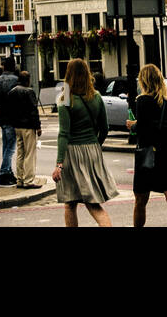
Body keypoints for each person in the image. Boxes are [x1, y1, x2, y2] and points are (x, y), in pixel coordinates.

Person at [52, 57, 117, 228]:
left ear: (68, 75)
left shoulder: (65, 98)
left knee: (70, 202)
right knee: (92, 201)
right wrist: (96, 145)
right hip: (92, 149)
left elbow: (64, 134)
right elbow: (105, 128)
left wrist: (59, 163)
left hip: (72, 153)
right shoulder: (96, 96)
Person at [128, 63, 167, 227]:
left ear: (144, 81)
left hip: (148, 154)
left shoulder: (142, 101)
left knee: (140, 199)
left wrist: (133, 126)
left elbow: (144, 129)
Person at [9, 69, 44, 188]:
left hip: (17, 126)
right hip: (28, 126)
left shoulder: (12, 92)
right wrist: (38, 127)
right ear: (28, 80)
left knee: (20, 153)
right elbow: (33, 110)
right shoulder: (29, 92)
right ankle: (28, 180)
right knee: (30, 154)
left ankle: (20, 179)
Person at [0, 55, 19, 186]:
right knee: (11, 147)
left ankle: (8, 172)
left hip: (1, 116)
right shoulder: (16, 80)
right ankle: (4, 173)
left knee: (6, 145)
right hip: (12, 116)